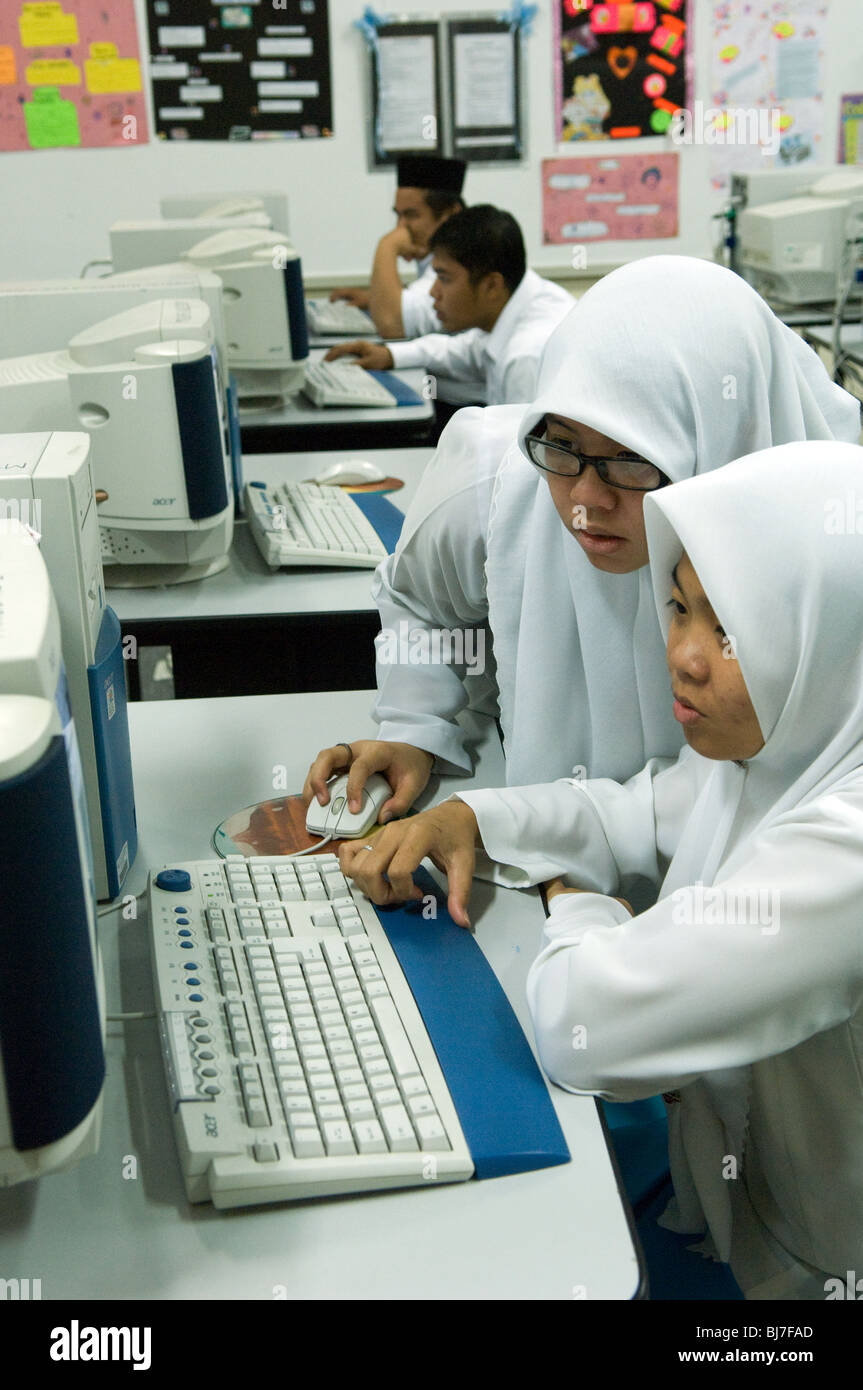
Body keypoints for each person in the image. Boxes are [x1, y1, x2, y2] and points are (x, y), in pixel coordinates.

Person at [337, 441, 863, 1300]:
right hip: (755, 1209)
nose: (683, 656)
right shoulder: (794, 741)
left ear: (827, 630)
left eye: (729, 629)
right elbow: (627, 810)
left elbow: (585, 1026)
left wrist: (576, 906)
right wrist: (467, 816)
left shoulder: (846, 851)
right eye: (679, 608)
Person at [303, 256, 860, 824]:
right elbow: (420, 599)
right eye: (562, 443)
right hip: (540, 863)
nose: (586, 500)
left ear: (721, 436)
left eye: (631, 459)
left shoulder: (822, 552)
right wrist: (414, 727)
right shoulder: (498, 483)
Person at [324, 205, 574, 407]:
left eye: (444, 279)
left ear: (491, 286)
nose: (434, 292)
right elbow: (463, 350)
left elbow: (523, 463)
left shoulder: (526, 356)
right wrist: (389, 355)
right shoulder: (517, 301)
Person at [328, 155, 467, 340]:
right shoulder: (433, 258)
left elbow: (391, 325)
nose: (400, 227)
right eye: (398, 215)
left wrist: (387, 245)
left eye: (411, 215)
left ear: (450, 214)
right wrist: (373, 300)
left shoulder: (462, 263)